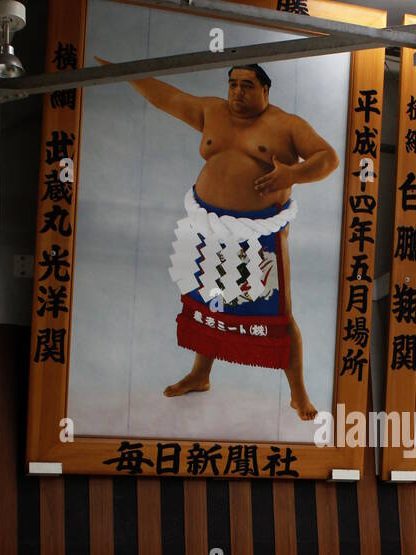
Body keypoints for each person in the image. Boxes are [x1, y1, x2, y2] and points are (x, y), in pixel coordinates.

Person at [105, 61, 339, 420]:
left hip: (260, 235)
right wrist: (122, 72)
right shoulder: (211, 112)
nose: (237, 92)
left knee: (280, 315)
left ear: (265, 90)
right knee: (210, 305)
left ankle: (298, 394)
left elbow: (328, 158)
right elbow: (165, 97)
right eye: (233, 84)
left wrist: (294, 174)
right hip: (209, 229)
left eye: (247, 85)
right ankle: (201, 375)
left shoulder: (287, 125)